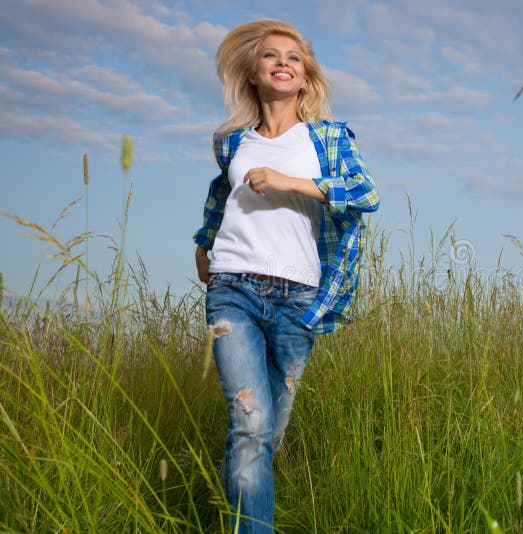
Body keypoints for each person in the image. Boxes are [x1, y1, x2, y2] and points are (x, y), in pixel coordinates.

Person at [192, 19, 379, 533]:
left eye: (293, 58)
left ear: (305, 77)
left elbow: (365, 193)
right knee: (249, 425)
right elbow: (220, 195)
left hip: (299, 297)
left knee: (267, 436)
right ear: (253, 73)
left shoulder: (328, 139)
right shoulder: (232, 142)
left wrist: (288, 181)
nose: (282, 63)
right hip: (233, 289)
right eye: (271, 55)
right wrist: (203, 244)